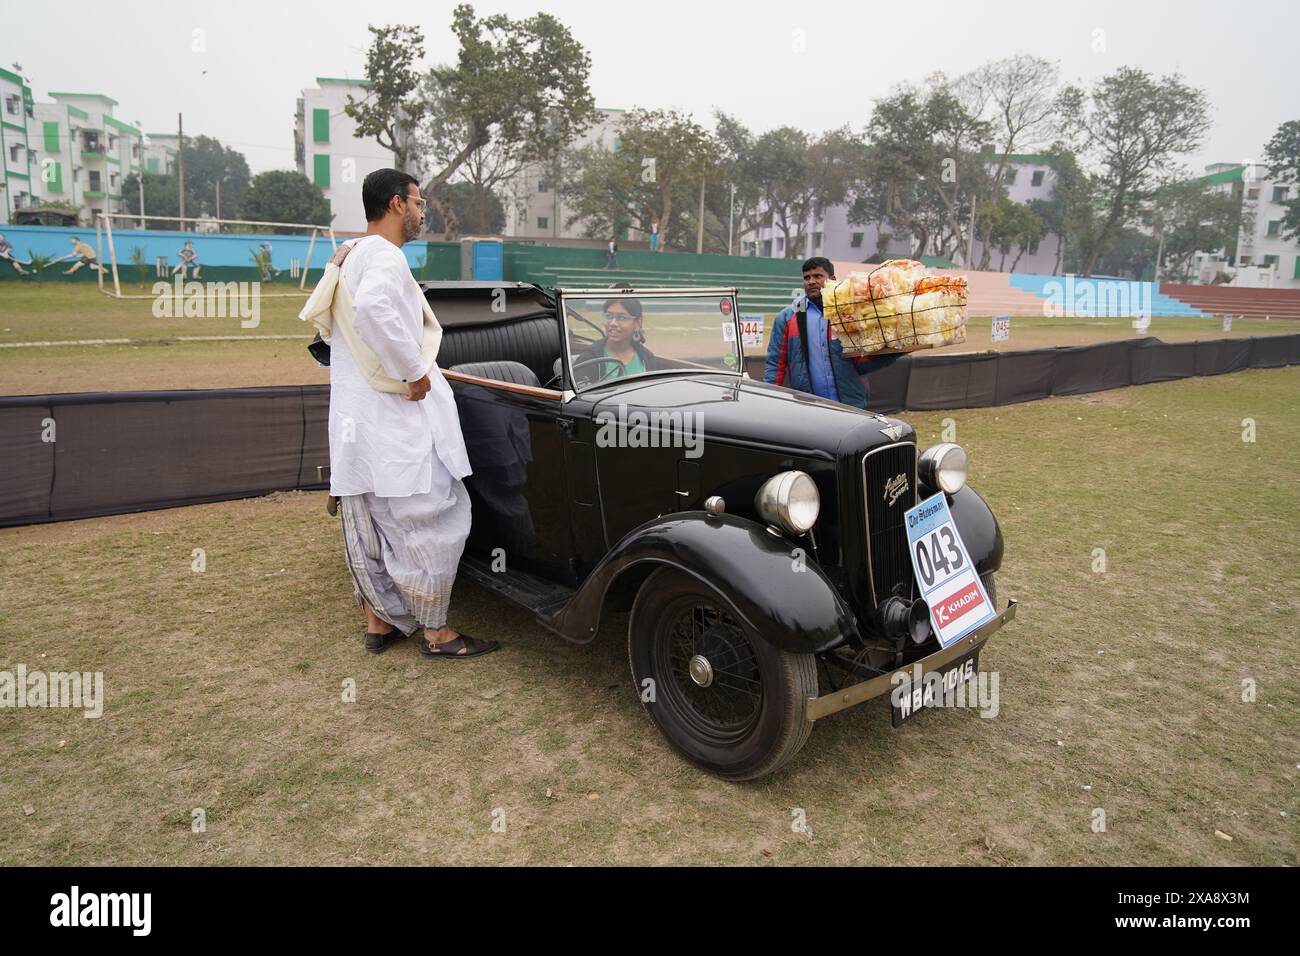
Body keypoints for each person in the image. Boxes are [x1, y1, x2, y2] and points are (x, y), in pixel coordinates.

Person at [300, 167, 498, 660]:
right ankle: (436, 634)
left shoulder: (348, 254)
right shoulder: (384, 257)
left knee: (372, 520)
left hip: (356, 421)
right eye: (417, 201)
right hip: (393, 418)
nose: (422, 211)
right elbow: (372, 310)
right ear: (395, 204)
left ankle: (380, 623)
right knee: (430, 518)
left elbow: (328, 333)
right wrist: (414, 371)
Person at [764, 256, 900, 410]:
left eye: (818, 276)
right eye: (806, 278)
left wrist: (893, 351)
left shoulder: (849, 312)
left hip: (849, 403)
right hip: (807, 407)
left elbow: (862, 361)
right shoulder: (788, 317)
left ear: (833, 279)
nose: (811, 281)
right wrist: (770, 398)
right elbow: (776, 362)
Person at [573, 296, 661, 382]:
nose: (613, 323)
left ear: (638, 323)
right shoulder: (589, 357)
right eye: (609, 316)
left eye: (621, 318)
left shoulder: (647, 357)